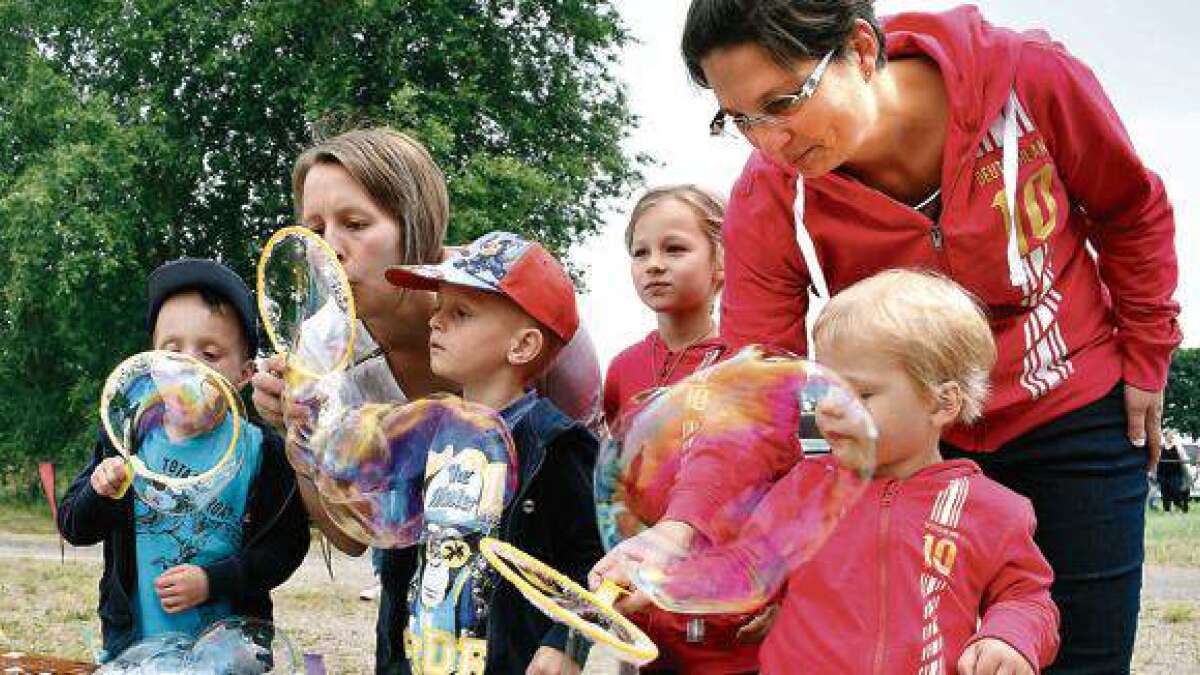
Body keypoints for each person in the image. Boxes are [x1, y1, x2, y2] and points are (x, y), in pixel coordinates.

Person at [677, 2, 1181, 670]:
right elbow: (756, 387)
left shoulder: (1030, 81)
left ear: (860, 48)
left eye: (783, 101)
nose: (770, 142)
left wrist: (1147, 353)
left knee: (1082, 653)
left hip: (1070, 411)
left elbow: (1129, 209)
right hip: (916, 449)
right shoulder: (770, 198)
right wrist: (688, 524)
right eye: (739, 118)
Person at [249, 127, 604, 674]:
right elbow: (351, 535)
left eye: (356, 223)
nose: (329, 247)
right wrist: (297, 437)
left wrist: (565, 642)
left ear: (414, 226)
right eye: (313, 228)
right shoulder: (322, 350)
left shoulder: (506, 301)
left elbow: (584, 534)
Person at [596, 269, 1061, 673]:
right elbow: (745, 567)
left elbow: (1026, 597)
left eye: (860, 393)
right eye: (826, 389)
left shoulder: (993, 510)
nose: (833, 409)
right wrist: (660, 584)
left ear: (943, 403)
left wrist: (1009, 636)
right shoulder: (806, 486)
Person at [58, 258, 310, 662]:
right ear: (150, 362)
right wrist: (98, 491)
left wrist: (214, 581)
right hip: (134, 647)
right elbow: (74, 525)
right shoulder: (128, 437)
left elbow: (285, 548)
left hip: (230, 653)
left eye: (209, 354)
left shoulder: (262, 452)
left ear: (244, 374)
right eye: (171, 350)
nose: (187, 367)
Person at [386, 231, 604, 674]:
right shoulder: (426, 434)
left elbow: (592, 562)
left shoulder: (555, 445)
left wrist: (567, 641)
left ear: (522, 345)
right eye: (438, 309)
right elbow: (401, 559)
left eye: (461, 313)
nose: (435, 322)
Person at [604, 185, 774, 673]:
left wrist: (780, 589)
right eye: (641, 252)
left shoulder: (750, 361)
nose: (654, 263)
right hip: (648, 618)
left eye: (675, 248)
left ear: (722, 263)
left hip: (732, 619)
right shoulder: (622, 368)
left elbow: (787, 486)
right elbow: (620, 485)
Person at [1157, 430, 1191, 513]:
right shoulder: (1161, 447)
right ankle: (1167, 510)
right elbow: (1157, 459)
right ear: (1165, 436)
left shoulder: (1178, 446)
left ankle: (1180, 506)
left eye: (1172, 435)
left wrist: (1177, 446)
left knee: (1175, 490)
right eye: (1169, 435)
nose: (1171, 436)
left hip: (1175, 473)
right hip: (1163, 473)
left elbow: (1184, 458)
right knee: (1165, 492)